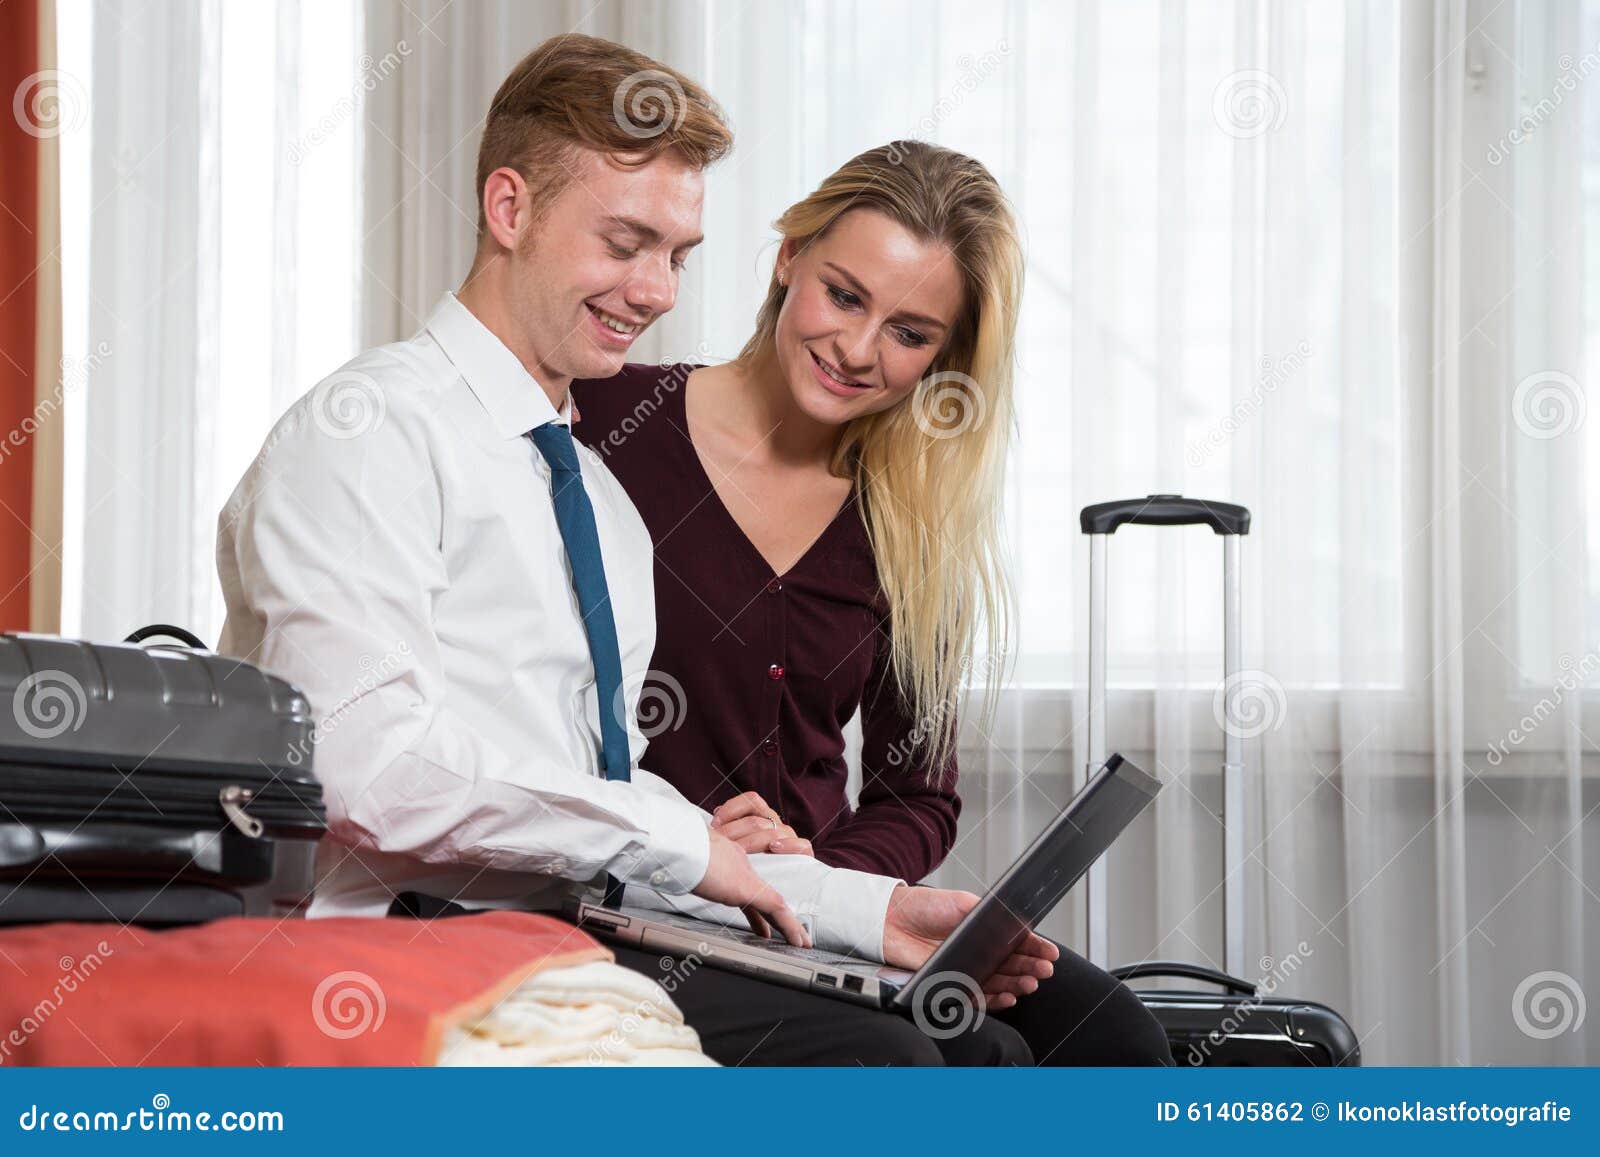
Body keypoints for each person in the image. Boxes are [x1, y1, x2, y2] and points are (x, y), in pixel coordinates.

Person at [215, 34, 1057, 1067]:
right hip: (405, 942)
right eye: (625, 243)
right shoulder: (368, 428)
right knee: (898, 1060)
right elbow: (367, 764)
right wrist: (675, 840)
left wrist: (862, 908)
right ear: (509, 208)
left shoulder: (594, 498)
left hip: (569, 930)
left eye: (678, 256)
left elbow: (605, 798)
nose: (657, 291)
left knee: (997, 1046)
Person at [570, 140, 1174, 1065]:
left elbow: (918, 795)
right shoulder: (606, 424)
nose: (858, 350)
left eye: (911, 333)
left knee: (1111, 1035)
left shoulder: (909, 517)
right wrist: (700, 842)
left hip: (821, 907)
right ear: (788, 257)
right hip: (656, 901)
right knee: (947, 1060)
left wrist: (824, 878)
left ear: (946, 354)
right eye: (844, 295)